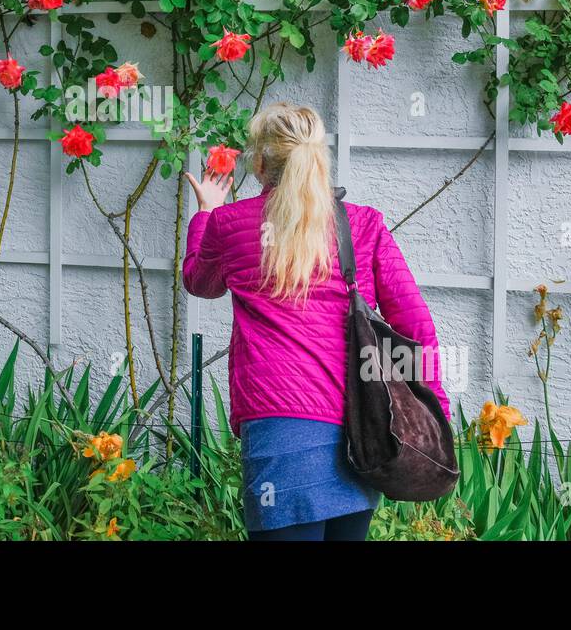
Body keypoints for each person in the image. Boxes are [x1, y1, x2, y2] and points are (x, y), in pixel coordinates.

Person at [183, 101, 451, 541]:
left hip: (279, 433)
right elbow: (414, 324)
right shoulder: (362, 225)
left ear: (261, 161)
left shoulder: (230, 224)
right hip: (360, 433)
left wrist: (208, 212)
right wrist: (433, 406)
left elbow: (200, 281)